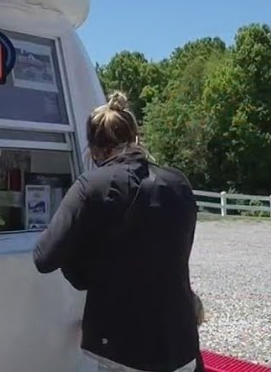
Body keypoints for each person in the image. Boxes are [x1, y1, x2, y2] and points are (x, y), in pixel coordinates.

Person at [32, 92, 202, 372]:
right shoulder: (178, 182)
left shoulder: (90, 185)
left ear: (94, 149)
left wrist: (80, 266)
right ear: (136, 137)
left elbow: (44, 258)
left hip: (122, 346)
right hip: (179, 342)